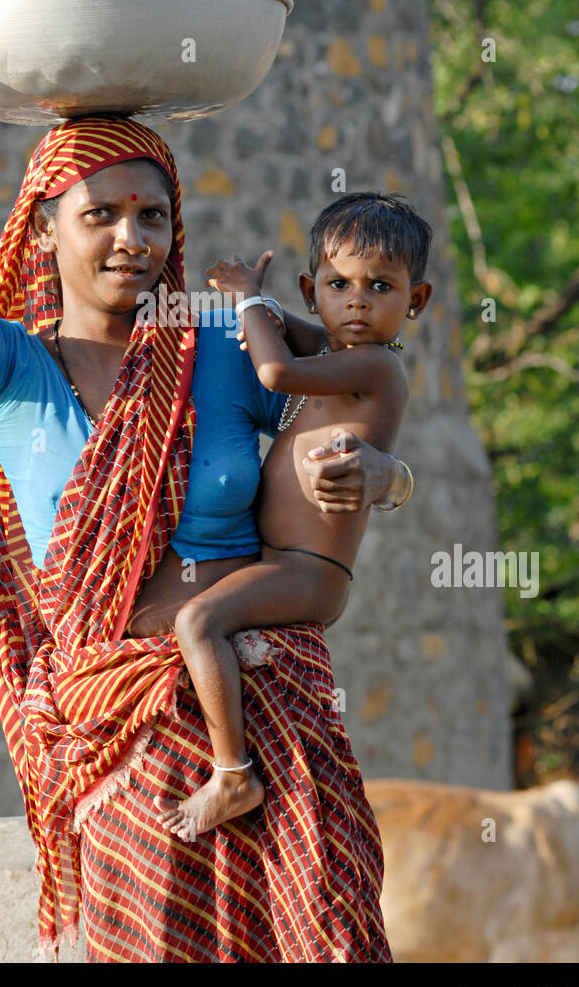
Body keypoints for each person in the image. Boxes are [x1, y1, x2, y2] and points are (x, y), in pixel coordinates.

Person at [0, 0, 415, 964]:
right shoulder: (14, 374)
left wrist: (385, 477)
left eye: (153, 216)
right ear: (45, 231)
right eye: (101, 216)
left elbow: (363, 394)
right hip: (125, 746)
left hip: (271, 718)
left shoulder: (221, 344)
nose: (132, 239)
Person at [158, 195, 432, 842]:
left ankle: (234, 775)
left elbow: (276, 369)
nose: (358, 301)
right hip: (276, 556)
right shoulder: (337, 346)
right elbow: (283, 332)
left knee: (197, 622)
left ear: (414, 302)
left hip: (308, 570)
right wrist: (253, 301)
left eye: (380, 287)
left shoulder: (378, 367)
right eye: (339, 285)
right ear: (316, 292)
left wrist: (249, 297)